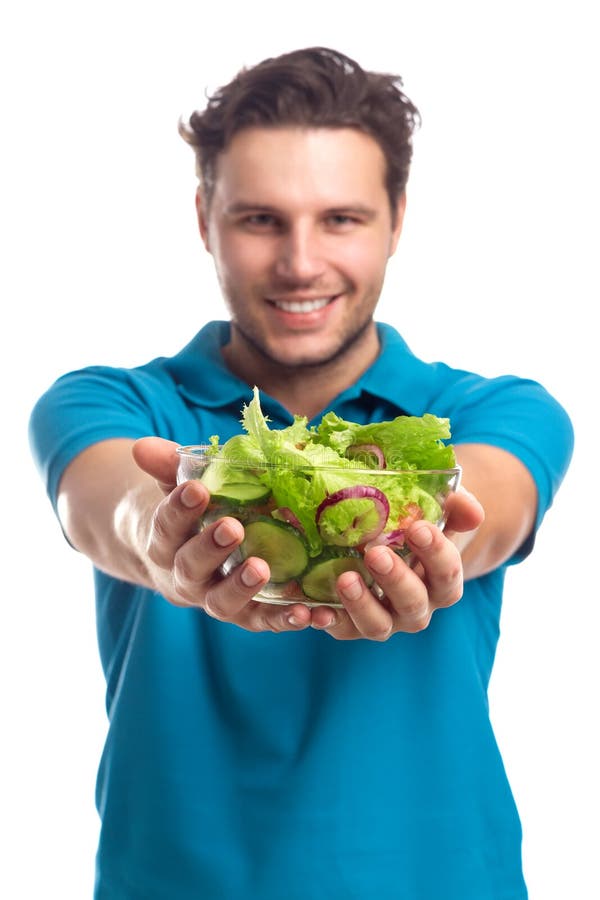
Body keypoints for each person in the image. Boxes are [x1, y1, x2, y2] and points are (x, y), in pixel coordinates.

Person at [29, 46, 573, 900]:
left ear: (397, 218)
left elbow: (488, 508)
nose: (300, 263)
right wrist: (168, 538)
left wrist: (435, 545)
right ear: (204, 217)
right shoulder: (110, 404)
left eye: (341, 219)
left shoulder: (495, 411)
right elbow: (106, 507)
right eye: (260, 220)